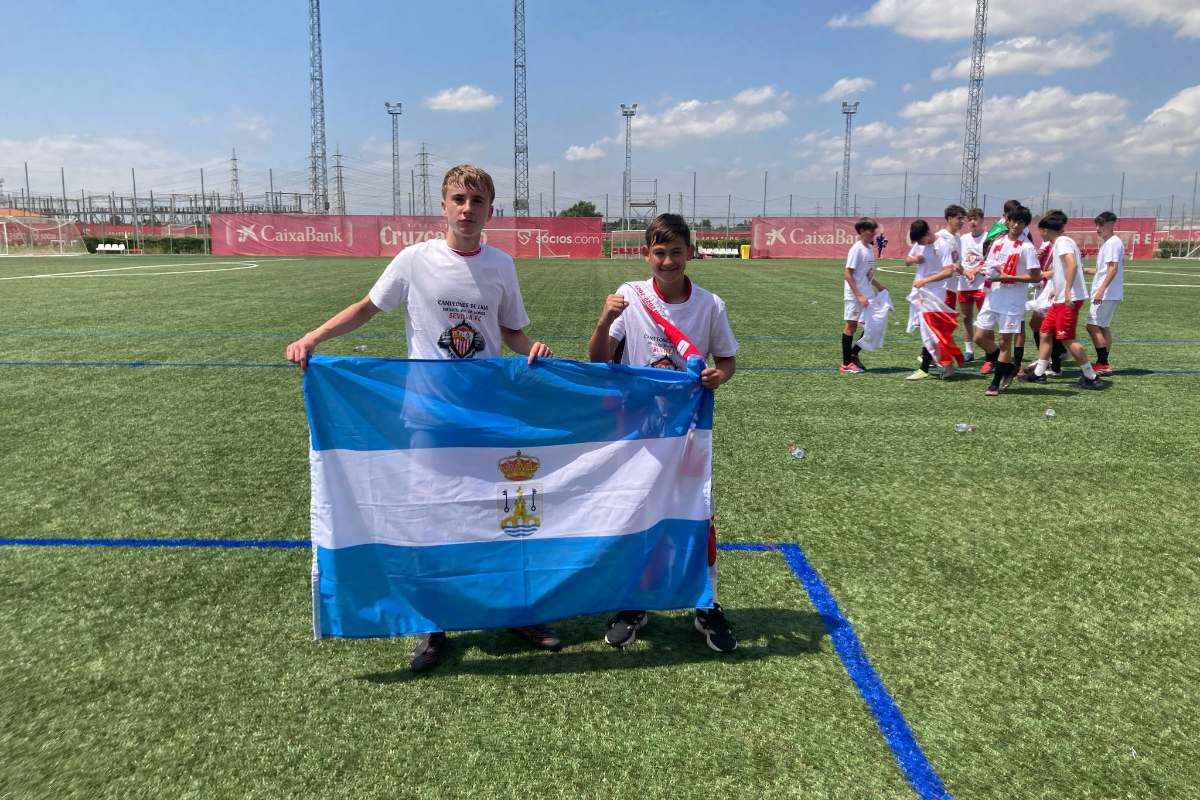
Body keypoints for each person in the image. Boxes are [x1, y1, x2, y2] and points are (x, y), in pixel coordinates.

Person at [285, 165, 562, 672]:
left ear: (490, 210)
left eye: (477, 201)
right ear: (442, 205)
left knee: (496, 514)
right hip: (429, 416)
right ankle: (431, 624)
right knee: (430, 520)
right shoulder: (414, 260)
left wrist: (533, 348)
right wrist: (313, 338)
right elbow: (368, 308)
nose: (466, 208)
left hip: (486, 416)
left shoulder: (501, 264)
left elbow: (511, 332)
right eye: (458, 198)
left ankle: (515, 612)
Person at [588, 213, 739, 653]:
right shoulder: (629, 296)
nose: (668, 261)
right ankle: (634, 602)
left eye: (676, 252)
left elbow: (727, 360)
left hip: (689, 433)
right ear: (645, 254)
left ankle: (706, 603)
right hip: (638, 431)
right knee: (636, 513)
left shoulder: (710, 305)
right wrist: (603, 320)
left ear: (691, 253)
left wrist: (718, 376)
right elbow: (600, 361)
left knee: (698, 513)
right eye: (660, 252)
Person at [1020, 210, 1103, 390]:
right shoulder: (1062, 242)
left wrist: (1066, 291)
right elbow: (1064, 268)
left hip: (1068, 299)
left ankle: (1091, 376)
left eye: (1040, 229)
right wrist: (1056, 291)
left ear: (1045, 230)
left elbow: (1072, 263)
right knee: (1044, 331)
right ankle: (1039, 373)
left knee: (1067, 338)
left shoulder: (1062, 242)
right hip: (1060, 299)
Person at [973, 205, 1041, 395]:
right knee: (979, 337)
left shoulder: (1027, 248)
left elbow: (1036, 277)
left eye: (1021, 222)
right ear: (1008, 221)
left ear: (1025, 224)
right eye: (1014, 220)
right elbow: (990, 265)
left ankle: (995, 383)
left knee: (1004, 342)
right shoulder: (998, 241)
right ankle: (1009, 366)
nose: (1016, 225)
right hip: (993, 296)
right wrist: (982, 270)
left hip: (1012, 301)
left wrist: (1008, 278)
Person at [905, 219, 959, 381]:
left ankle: (931, 367)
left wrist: (925, 281)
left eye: (921, 240)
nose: (920, 244)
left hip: (935, 293)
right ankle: (942, 365)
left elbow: (948, 272)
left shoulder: (942, 246)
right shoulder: (919, 245)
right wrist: (914, 259)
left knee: (932, 330)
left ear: (928, 233)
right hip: (920, 293)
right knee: (928, 330)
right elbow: (907, 261)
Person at [840, 218, 887, 373]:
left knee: (874, 324)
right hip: (855, 296)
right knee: (851, 326)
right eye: (871, 230)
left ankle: (854, 353)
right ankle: (846, 363)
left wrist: (878, 285)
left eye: (874, 229)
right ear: (861, 231)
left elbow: (867, 274)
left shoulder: (869, 248)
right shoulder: (857, 249)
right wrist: (859, 295)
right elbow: (848, 275)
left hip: (867, 293)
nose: (874, 232)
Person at [1084, 211, 1123, 376]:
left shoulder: (1113, 243)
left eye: (1101, 225)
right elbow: (1104, 270)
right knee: (1103, 326)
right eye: (1097, 225)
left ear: (1111, 224)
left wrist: (1100, 291)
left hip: (1106, 293)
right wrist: (1086, 270)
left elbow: (1113, 268)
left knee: (1092, 326)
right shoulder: (1109, 243)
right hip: (1109, 292)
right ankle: (1103, 362)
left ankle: (1103, 363)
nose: (1097, 228)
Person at [954, 208, 988, 362]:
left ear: (982, 220)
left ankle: (989, 350)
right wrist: (966, 272)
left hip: (982, 285)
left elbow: (990, 261)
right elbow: (958, 261)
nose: (972, 222)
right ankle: (968, 350)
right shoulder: (962, 239)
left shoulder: (988, 239)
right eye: (970, 219)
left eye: (975, 219)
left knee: (985, 318)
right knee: (966, 317)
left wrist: (975, 270)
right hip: (965, 284)